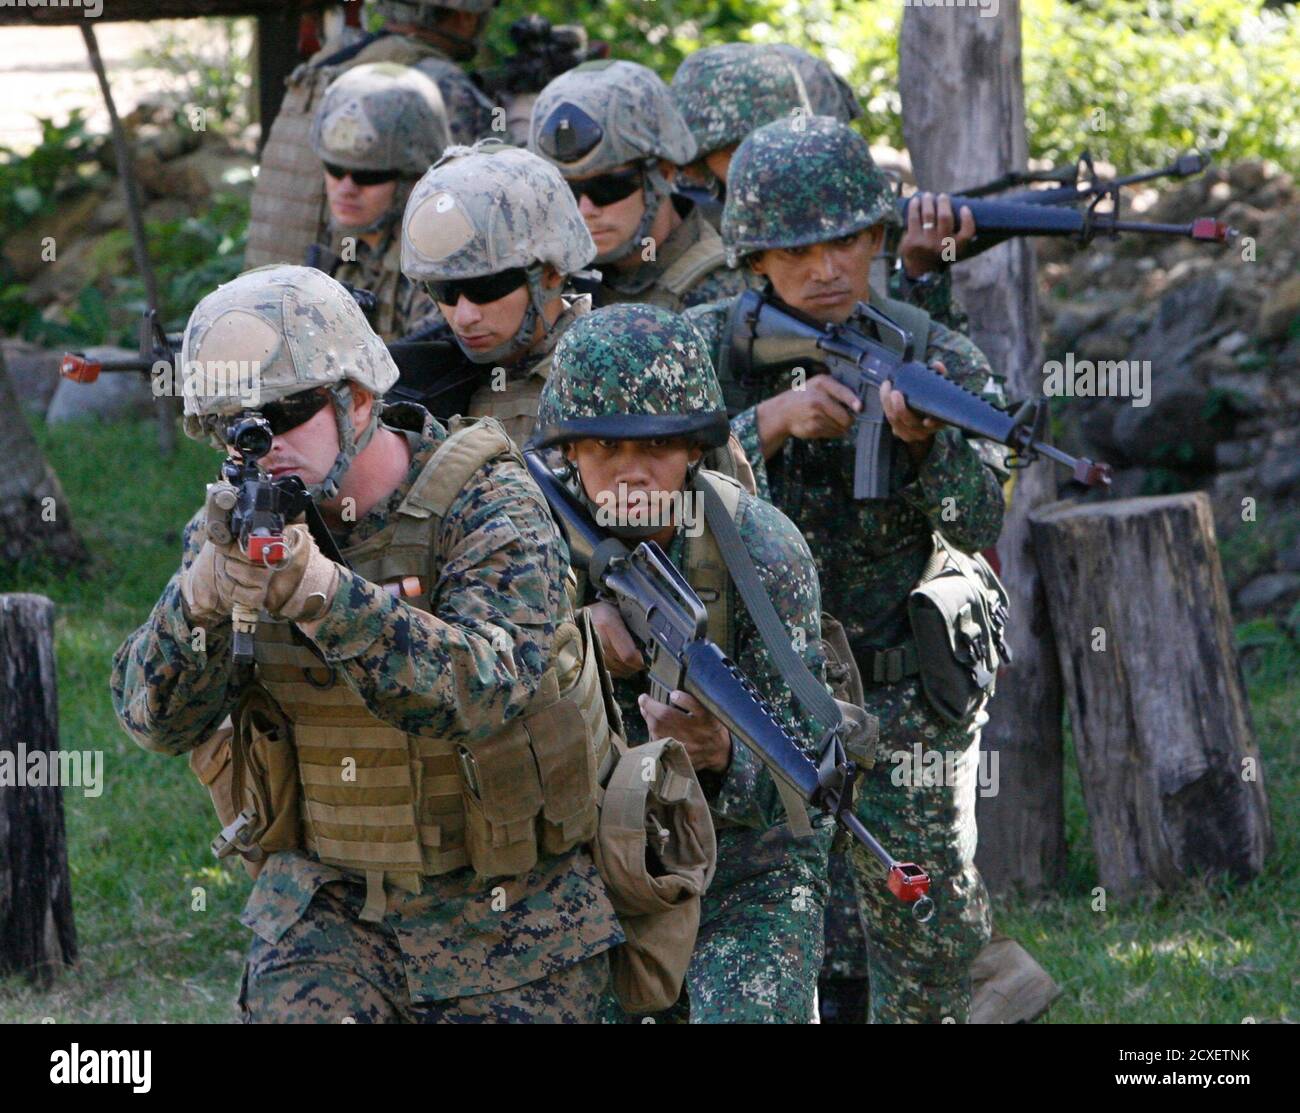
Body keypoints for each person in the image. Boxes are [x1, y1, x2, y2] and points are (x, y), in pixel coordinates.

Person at [110, 264, 624, 1023]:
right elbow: (154, 722)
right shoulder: (228, 529)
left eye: (284, 412)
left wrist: (327, 596)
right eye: (234, 429)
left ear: (357, 397)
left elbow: (485, 688)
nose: (263, 447)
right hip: (329, 907)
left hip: (511, 912)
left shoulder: (486, 501)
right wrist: (198, 603)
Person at [686, 116, 1009, 1023]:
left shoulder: (931, 352)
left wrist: (924, 446)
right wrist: (770, 426)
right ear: (754, 257)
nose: (826, 267)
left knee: (929, 929)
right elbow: (636, 492)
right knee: (755, 927)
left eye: (849, 241)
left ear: (877, 237)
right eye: (796, 249)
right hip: (748, 686)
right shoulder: (704, 349)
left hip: (896, 686)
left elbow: (981, 517)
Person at [532, 303, 837, 1023]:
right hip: (583, 864)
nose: (632, 473)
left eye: (658, 446)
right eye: (604, 447)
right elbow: (469, 696)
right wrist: (573, 640)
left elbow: (810, 789)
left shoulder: (760, 551)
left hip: (745, 865)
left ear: (697, 447)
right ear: (566, 450)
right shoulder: (522, 541)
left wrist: (726, 756)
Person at [670, 42, 976, 333]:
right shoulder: (686, 246)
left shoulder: (863, 211)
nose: (825, 270)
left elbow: (919, 353)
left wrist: (921, 274)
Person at [246, 0, 498, 271]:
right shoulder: (435, 83)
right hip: (346, 280)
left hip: (270, 277)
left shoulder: (335, 59)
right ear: (466, 18)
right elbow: (485, 201)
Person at [399, 139, 596, 445]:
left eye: (486, 288)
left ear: (551, 273)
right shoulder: (428, 379)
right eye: (444, 290)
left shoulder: (600, 376)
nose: (464, 316)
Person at [529, 60, 755, 312]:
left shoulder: (726, 294)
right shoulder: (552, 281)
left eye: (607, 187)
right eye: (567, 192)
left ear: (664, 173)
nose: (584, 209)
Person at [307, 62, 448, 340]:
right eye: (335, 170)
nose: (346, 189)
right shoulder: (348, 247)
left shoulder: (433, 266)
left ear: (412, 180)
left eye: (368, 176)